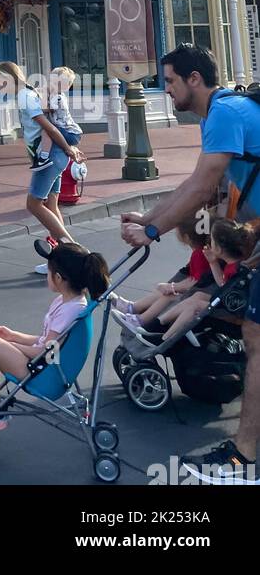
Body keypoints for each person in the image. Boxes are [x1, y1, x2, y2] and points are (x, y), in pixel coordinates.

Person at [121, 44, 260, 484]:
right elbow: (195, 184)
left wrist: (152, 232)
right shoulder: (216, 115)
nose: (166, 90)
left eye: (170, 81)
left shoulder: (225, 113)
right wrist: (150, 217)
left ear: (194, 79)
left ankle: (243, 458)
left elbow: (202, 189)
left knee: (256, 342)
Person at [0, 241, 109, 432]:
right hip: (42, 363)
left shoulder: (71, 310)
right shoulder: (69, 301)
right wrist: (13, 336)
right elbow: (46, 341)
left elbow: (45, 351)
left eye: (49, 272)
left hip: (43, 374)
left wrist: (8, 343)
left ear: (58, 278)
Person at [0, 61, 84, 272]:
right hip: (56, 155)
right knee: (51, 205)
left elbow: (50, 128)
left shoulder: (25, 97)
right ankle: (60, 262)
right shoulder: (28, 93)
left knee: (33, 205)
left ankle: (74, 252)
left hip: (50, 157)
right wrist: (69, 148)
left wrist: (69, 149)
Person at [127, 219, 256, 357]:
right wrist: (213, 262)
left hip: (235, 318)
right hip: (231, 306)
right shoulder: (233, 265)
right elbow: (223, 286)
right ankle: (158, 324)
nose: (209, 244)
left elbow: (227, 291)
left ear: (218, 249)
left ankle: (165, 340)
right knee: (197, 296)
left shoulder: (236, 270)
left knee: (194, 306)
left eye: (211, 241)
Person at [114, 216, 211, 333]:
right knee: (164, 289)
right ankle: (133, 307)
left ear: (186, 237)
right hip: (197, 289)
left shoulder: (199, 255)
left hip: (197, 291)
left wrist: (173, 287)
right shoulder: (200, 252)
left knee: (168, 295)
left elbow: (195, 281)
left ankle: (140, 320)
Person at [34, 66, 81, 168]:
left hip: (71, 133)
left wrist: (35, 109)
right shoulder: (56, 95)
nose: (53, 85)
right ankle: (70, 148)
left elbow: (47, 108)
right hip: (71, 132)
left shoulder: (58, 97)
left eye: (58, 84)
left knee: (47, 131)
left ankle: (44, 157)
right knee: (49, 131)